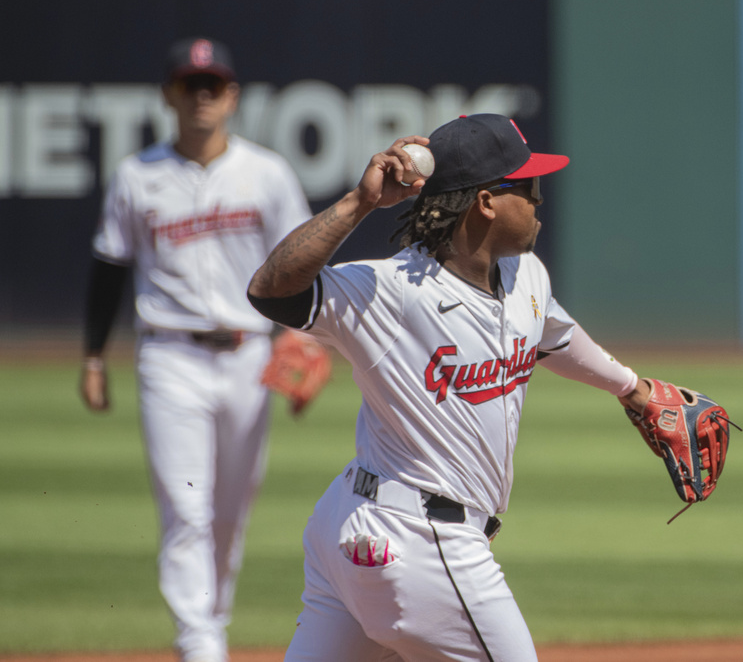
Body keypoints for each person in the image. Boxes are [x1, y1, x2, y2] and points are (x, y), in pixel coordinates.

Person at [248, 113, 653, 661]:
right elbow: (270, 292)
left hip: (363, 525)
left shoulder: (524, 273)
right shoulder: (393, 291)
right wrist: (360, 203)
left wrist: (633, 389)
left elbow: (555, 336)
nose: (539, 199)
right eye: (528, 187)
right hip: (418, 539)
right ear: (486, 202)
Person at [79, 37, 312, 662]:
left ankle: (213, 621)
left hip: (248, 355)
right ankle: (199, 642)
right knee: (186, 508)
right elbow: (109, 268)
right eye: (190, 85)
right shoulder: (137, 175)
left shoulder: (267, 173)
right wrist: (94, 357)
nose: (201, 97)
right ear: (168, 95)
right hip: (169, 355)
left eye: (213, 86)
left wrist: (300, 339)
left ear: (232, 96)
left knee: (231, 510)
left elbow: (299, 263)